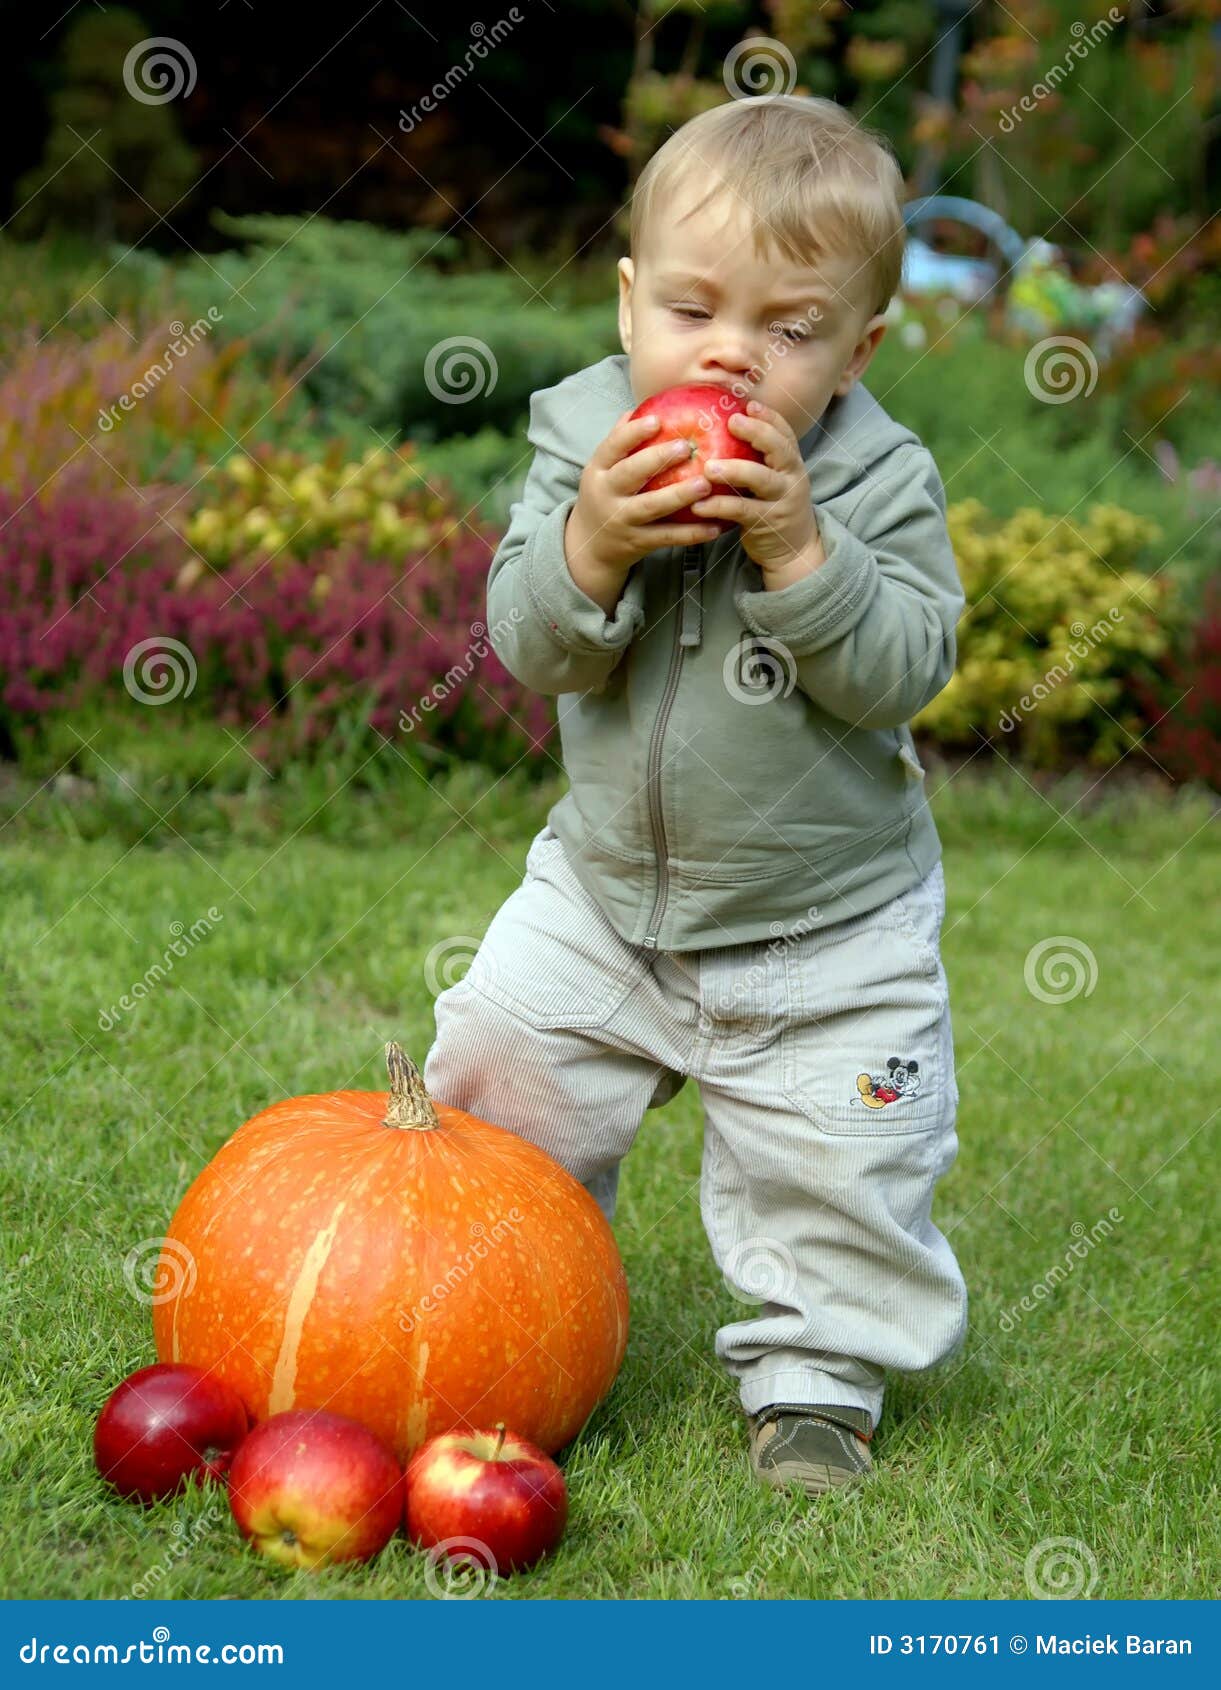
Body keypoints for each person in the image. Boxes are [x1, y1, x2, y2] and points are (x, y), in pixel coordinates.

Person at [423, 93, 967, 1498]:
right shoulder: (585, 442)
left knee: (840, 1158)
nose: (730, 352)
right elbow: (531, 640)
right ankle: (504, 1311)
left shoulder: (878, 478)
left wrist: (803, 553)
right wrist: (591, 541)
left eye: (790, 329)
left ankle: (813, 1378)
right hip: (605, 893)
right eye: (691, 309)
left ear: (858, 350)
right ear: (626, 306)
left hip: (821, 918)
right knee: (496, 1076)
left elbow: (905, 667)